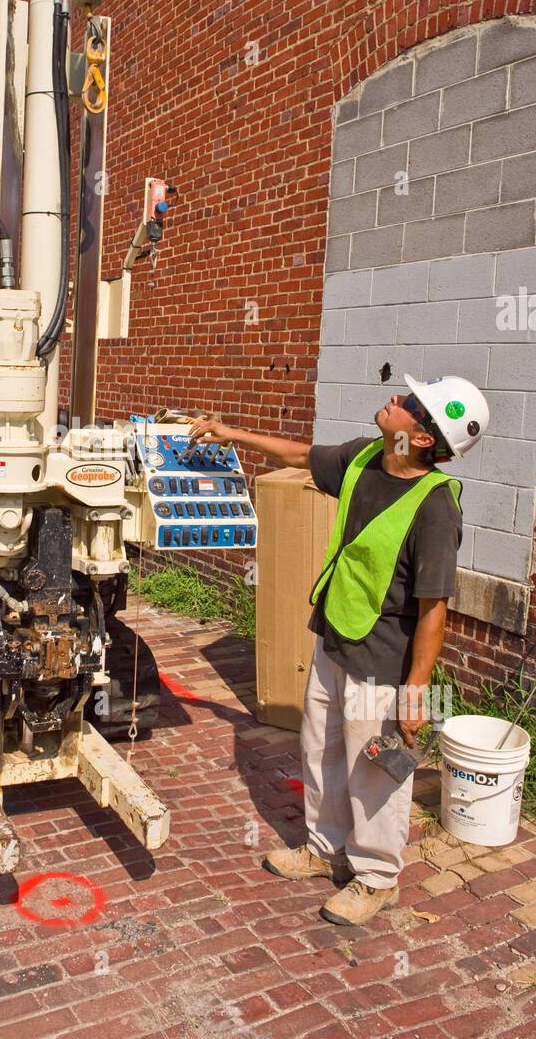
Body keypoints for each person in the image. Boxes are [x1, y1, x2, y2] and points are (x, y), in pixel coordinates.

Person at [189, 375, 490, 927]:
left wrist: (417, 692)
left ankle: (376, 877)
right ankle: (324, 849)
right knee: (319, 747)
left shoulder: (435, 509)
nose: (395, 400)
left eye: (410, 404)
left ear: (424, 439)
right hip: (335, 634)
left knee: (373, 768)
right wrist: (227, 432)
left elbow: (434, 610)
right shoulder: (368, 456)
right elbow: (302, 454)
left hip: (383, 660)